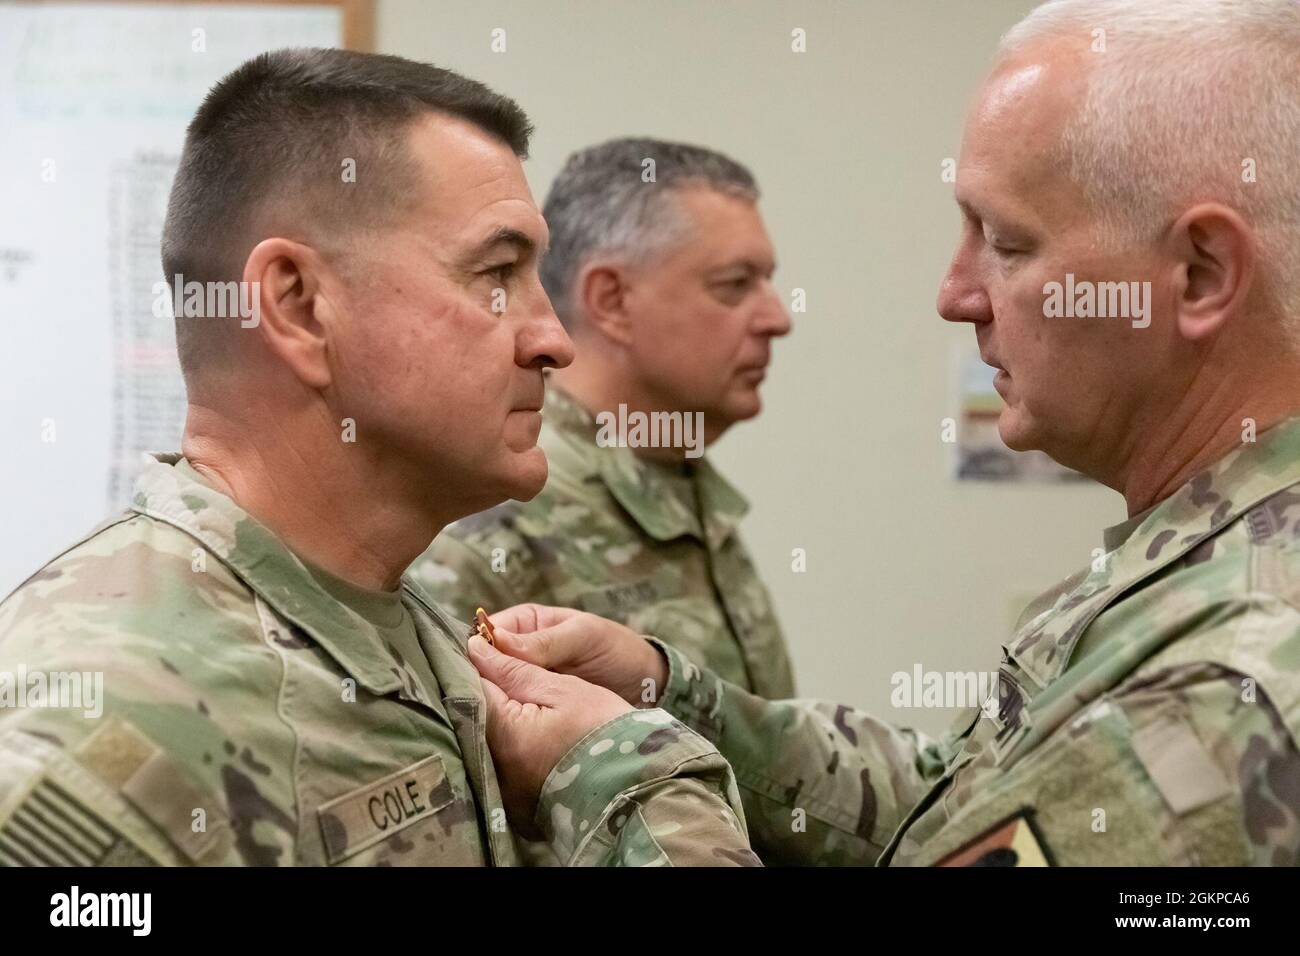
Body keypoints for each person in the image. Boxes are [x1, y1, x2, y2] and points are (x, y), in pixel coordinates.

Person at [471, 0, 1300, 866]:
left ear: (1199, 275)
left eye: (1008, 244)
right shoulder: (1184, 568)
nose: (955, 293)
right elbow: (953, 799)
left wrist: (616, 768)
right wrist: (666, 691)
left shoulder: (1235, 672)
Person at [0, 48, 753, 867]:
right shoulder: (101, 732)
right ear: (296, 304)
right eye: (497, 273)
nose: (552, 340)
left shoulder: (410, 625)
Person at [412, 138, 795, 699]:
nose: (777, 318)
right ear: (611, 300)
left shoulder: (680, 481)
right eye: (735, 285)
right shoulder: (495, 521)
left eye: (768, 282)